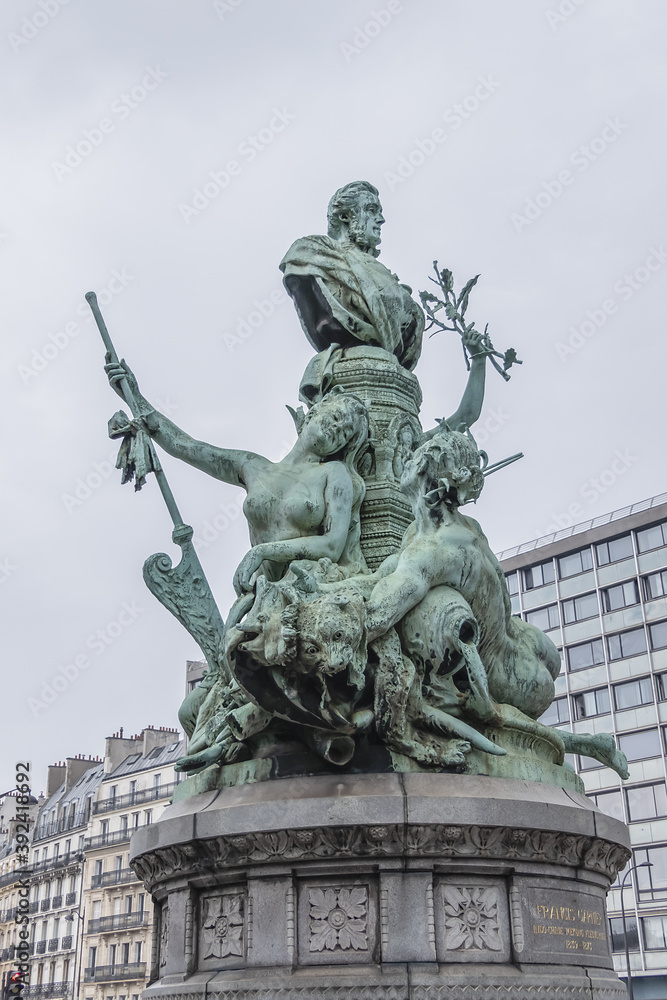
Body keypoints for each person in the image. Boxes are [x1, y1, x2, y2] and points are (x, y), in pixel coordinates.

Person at [104, 362, 371, 594]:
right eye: (336, 418)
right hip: (258, 592)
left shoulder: (334, 474)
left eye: (346, 433)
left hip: (307, 590)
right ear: (314, 412)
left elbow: (332, 546)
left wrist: (262, 551)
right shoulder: (253, 466)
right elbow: (188, 447)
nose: (338, 430)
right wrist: (134, 397)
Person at [280, 180, 425, 371]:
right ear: (345, 216)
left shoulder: (386, 277)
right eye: (372, 210)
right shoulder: (311, 254)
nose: (381, 219)